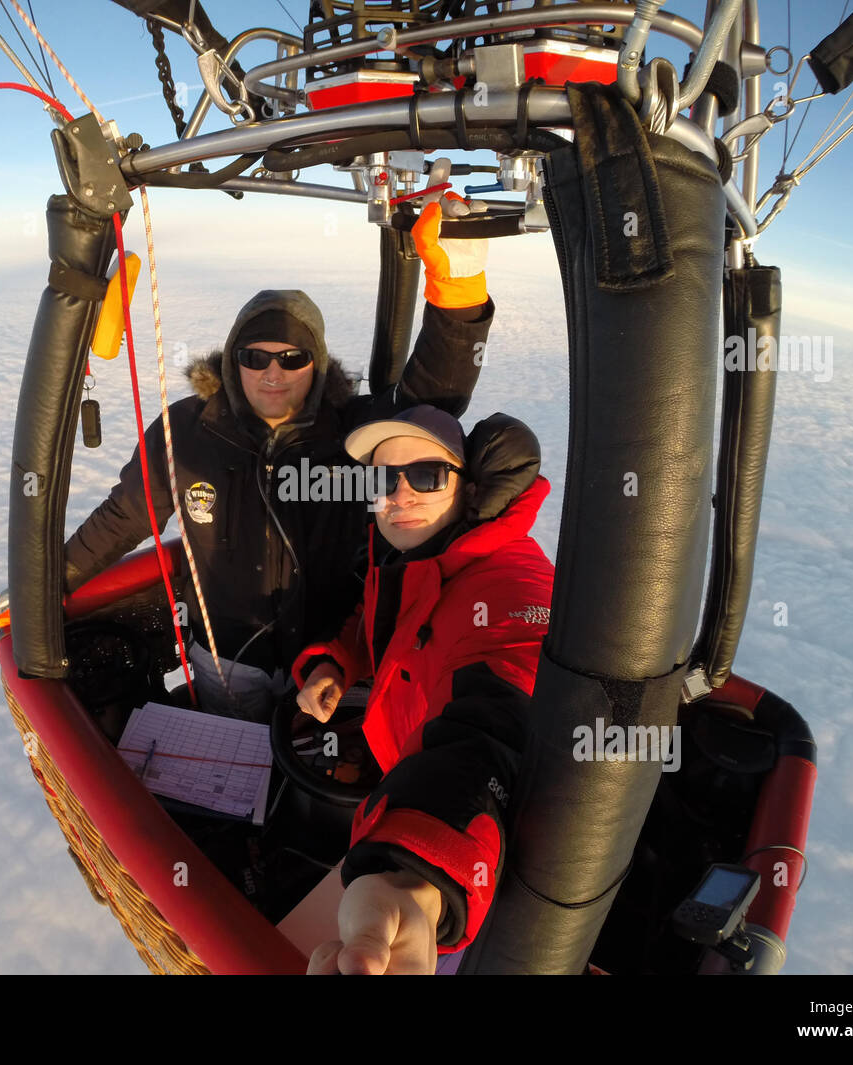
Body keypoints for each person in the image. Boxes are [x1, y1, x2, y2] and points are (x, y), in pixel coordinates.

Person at [52, 164, 497, 720]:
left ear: (316, 364)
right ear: (232, 358)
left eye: (292, 358)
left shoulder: (351, 432)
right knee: (233, 774)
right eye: (254, 357)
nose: (272, 373)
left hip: (330, 656)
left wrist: (458, 298)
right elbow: (123, 517)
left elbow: (434, 401)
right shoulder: (188, 431)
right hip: (225, 661)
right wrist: (47, 583)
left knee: (311, 772)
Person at [291, 405, 556, 974]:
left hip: (483, 874)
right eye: (382, 479)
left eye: (427, 475)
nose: (400, 494)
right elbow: (377, 620)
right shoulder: (421, 560)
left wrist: (419, 874)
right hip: (399, 775)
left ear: (471, 488)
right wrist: (334, 665)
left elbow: (502, 716)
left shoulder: (508, 581)